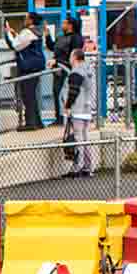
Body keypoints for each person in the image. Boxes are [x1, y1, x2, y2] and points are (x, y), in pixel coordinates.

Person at [5, 12, 48, 130]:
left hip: (28, 67)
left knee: (27, 95)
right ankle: (37, 121)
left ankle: (30, 123)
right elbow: (23, 42)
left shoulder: (28, 32)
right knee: (31, 94)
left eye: (26, 18)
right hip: (36, 65)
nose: (24, 20)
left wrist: (7, 32)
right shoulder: (35, 32)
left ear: (31, 20)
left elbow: (15, 45)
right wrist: (16, 34)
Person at [61, 48, 94, 178]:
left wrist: (68, 105)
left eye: (70, 56)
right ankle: (87, 166)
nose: (69, 59)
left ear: (74, 57)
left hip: (77, 109)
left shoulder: (77, 71)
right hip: (86, 108)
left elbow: (73, 90)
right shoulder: (88, 69)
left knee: (78, 138)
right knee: (85, 138)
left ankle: (77, 167)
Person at [47, 15, 84, 125]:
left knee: (67, 93)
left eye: (64, 23)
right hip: (58, 69)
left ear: (70, 25)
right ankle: (59, 117)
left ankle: (70, 117)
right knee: (56, 92)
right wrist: (48, 36)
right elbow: (52, 47)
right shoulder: (61, 37)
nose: (62, 25)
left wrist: (59, 62)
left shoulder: (76, 38)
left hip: (67, 69)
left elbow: (74, 56)